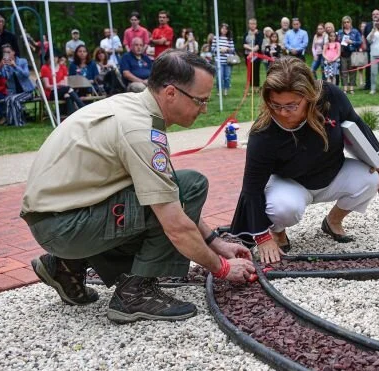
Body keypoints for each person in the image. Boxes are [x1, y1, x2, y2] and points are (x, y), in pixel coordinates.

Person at [21, 50, 255, 323]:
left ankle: (65, 265)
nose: (204, 109)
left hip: (59, 219)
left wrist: (214, 242)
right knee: (191, 186)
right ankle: (135, 293)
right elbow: (176, 223)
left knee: (176, 189)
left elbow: (166, 188)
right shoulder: (140, 131)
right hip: (64, 227)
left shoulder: (133, 106)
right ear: (170, 93)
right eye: (200, 101)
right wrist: (223, 268)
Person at [230, 57, 379, 264]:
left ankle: (333, 221)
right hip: (291, 183)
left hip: (332, 173)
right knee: (283, 208)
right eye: (275, 105)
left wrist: (377, 158)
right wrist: (262, 236)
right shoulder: (263, 133)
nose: (282, 113)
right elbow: (251, 189)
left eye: (291, 106)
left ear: (309, 97)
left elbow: (354, 122)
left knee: (371, 178)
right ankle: (279, 233)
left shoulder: (331, 96)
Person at [0, 44, 35, 126]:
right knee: (8, 100)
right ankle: (11, 122)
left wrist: (15, 66)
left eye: (8, 52)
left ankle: (19, 122)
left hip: (27, 91)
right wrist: (1, 66)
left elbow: (26, 74)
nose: (7, 54)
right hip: (14, 92)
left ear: (13, 52)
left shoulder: (22, 61)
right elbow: (3, 76)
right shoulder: (5, 65)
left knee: (15, 100)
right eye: (4, 52)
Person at [41, 52, 86, 116]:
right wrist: (58, 84)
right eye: (50, 57)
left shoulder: (63, 67)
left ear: (58, 58)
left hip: (63, 90)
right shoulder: (45, 68)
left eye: (55, 57)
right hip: (51, 93)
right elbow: (47, 86)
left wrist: (59, 85)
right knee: (68, 89)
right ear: (47, 58)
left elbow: (65, 83)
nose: (53, 58)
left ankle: (71, 115)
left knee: (67, 95)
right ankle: (82, 107)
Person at [337, 16, 362, 94]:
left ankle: (351, 88)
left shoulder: (355, 31)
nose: (346, 24)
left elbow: (360, 42)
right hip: (343, 54)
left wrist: (352, 42)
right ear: (343, 24)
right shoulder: (340, 32)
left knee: (352, 71)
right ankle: (345, 89)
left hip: (352, 53)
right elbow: (337, 42)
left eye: (348, 22)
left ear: (350, 23)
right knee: (343, 71)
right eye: (344, 22)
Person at [213, 23, 236, 96]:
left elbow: (233, 50)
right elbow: (212, 50)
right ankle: (219, 91)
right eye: (223, 28)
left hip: (228, 61)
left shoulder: (230, 39)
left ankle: (226, 90)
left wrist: (227, 49)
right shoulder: (216, 38)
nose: (224, 30)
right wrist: (219, 50)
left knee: (227, 77)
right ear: (220, 29)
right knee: (219, 76)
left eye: (226, 29)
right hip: (219, 61)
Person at [244, 18, 264, 90]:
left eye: (254, 24)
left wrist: (253, 50)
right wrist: (251, 49)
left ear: (256, 25)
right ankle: (251, 86)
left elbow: (259, 44)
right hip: (248, 55)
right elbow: (244, 44)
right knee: (250, 71)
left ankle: (256, 87)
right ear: (249, 25)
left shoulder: (259, 33)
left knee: (256, 70)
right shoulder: (246, 33)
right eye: (251, 24)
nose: (252, 25)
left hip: (256, 55)